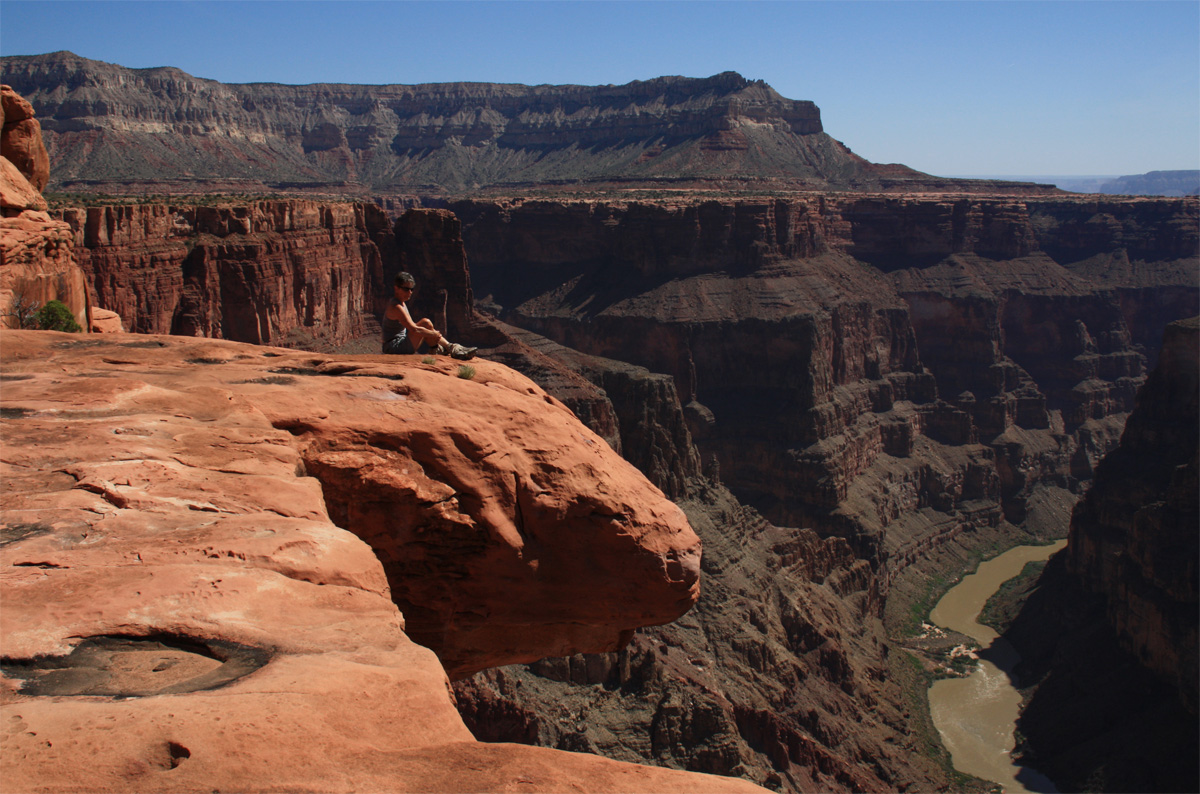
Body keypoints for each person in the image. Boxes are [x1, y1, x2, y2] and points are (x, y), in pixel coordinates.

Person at [382, 272, 477, 360]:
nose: (410, 292)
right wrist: (434, 334)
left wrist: (432, 333)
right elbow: (414, 329)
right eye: (406, 289)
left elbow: (414, 328)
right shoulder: (396, 307)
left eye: (412, 289)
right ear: (396, 288)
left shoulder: (401, 303)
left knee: (426, 324)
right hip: (393, 347)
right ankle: (450, 347)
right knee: (425, 323)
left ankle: (439, 349)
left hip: (400, 343)